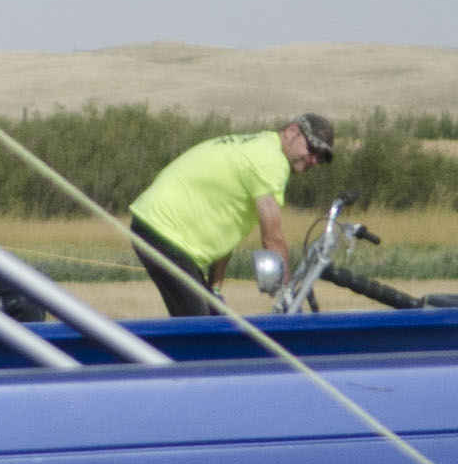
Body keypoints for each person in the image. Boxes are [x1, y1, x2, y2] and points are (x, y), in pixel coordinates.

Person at [127, 113, 336, 317]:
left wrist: (215, 288)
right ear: (291, 131)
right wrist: (288, 297)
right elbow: (273, 238)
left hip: (161, 228)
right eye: (312, 148)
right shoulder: (271, 160)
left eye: (321, 158)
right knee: (198, 331)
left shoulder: (261, 147)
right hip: (165, 231)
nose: (314, 159)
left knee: (209, 323)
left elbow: (227, 230)